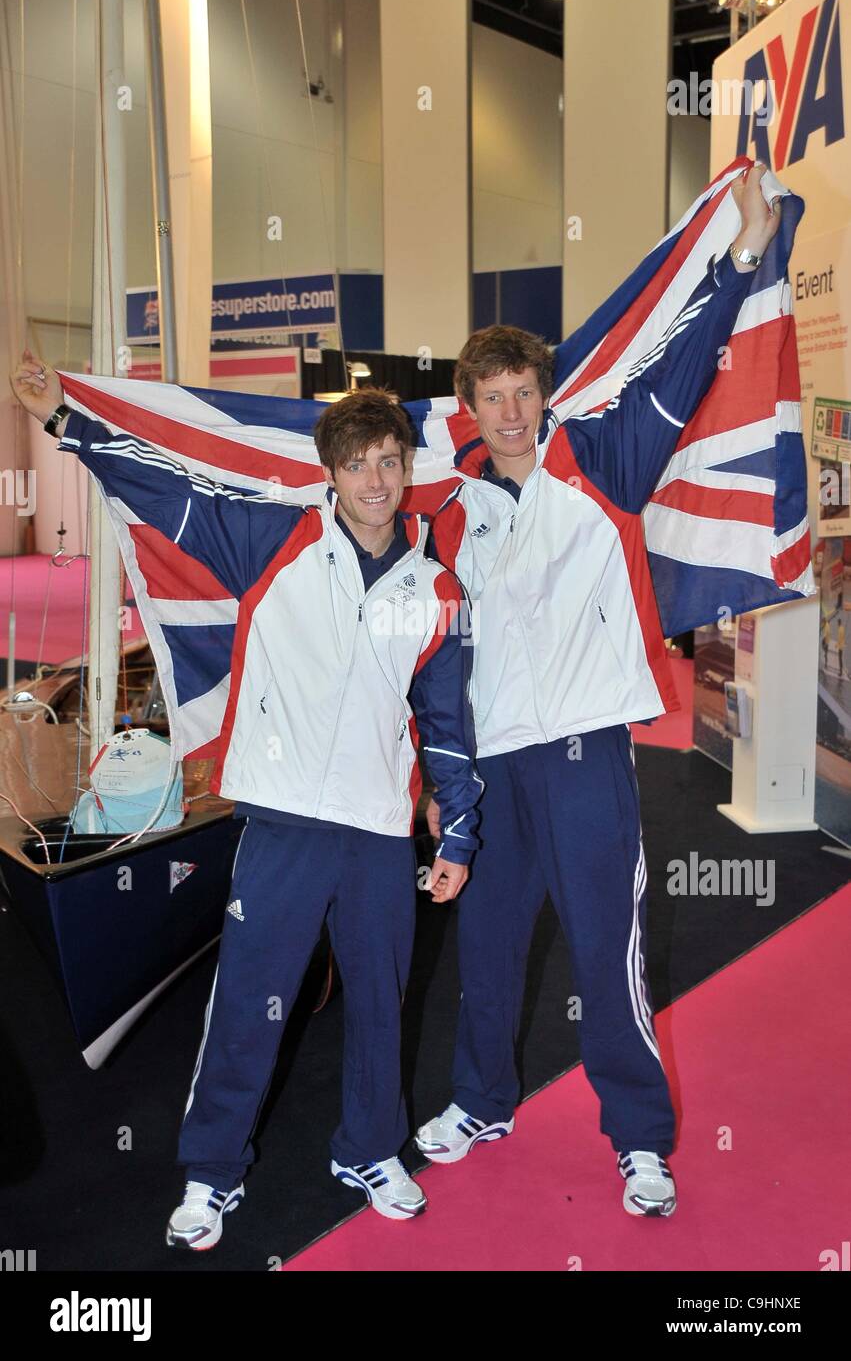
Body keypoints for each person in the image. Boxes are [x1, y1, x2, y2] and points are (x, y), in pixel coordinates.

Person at [9, 364, 483, 1246]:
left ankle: (371, 1150)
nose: (376, 480)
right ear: (330, 474)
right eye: (358, 464)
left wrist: (455, 827)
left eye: (389, 461)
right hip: (282, 826)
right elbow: (162, 488)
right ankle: (211, 1173)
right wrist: (66, 421)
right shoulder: (272, 540)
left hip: (378, 834)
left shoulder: (438, 590)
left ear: (406, 469)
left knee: (382, 1003)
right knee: (248, 1004)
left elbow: (447, 722)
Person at [416, 161, 782, 1217]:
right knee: (482, 954)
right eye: (491, 398)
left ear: (545, 393)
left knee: (604, 948)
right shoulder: (447, 514)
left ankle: (638, 1138)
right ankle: (480, 1102)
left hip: (581, 754)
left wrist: (743, 250)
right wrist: (443, 778)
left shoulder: (603, 459)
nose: (511, 410)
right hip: (492, 763)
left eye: (524, 391)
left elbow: (686, 366)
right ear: (471, 411)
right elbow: (440, 652)